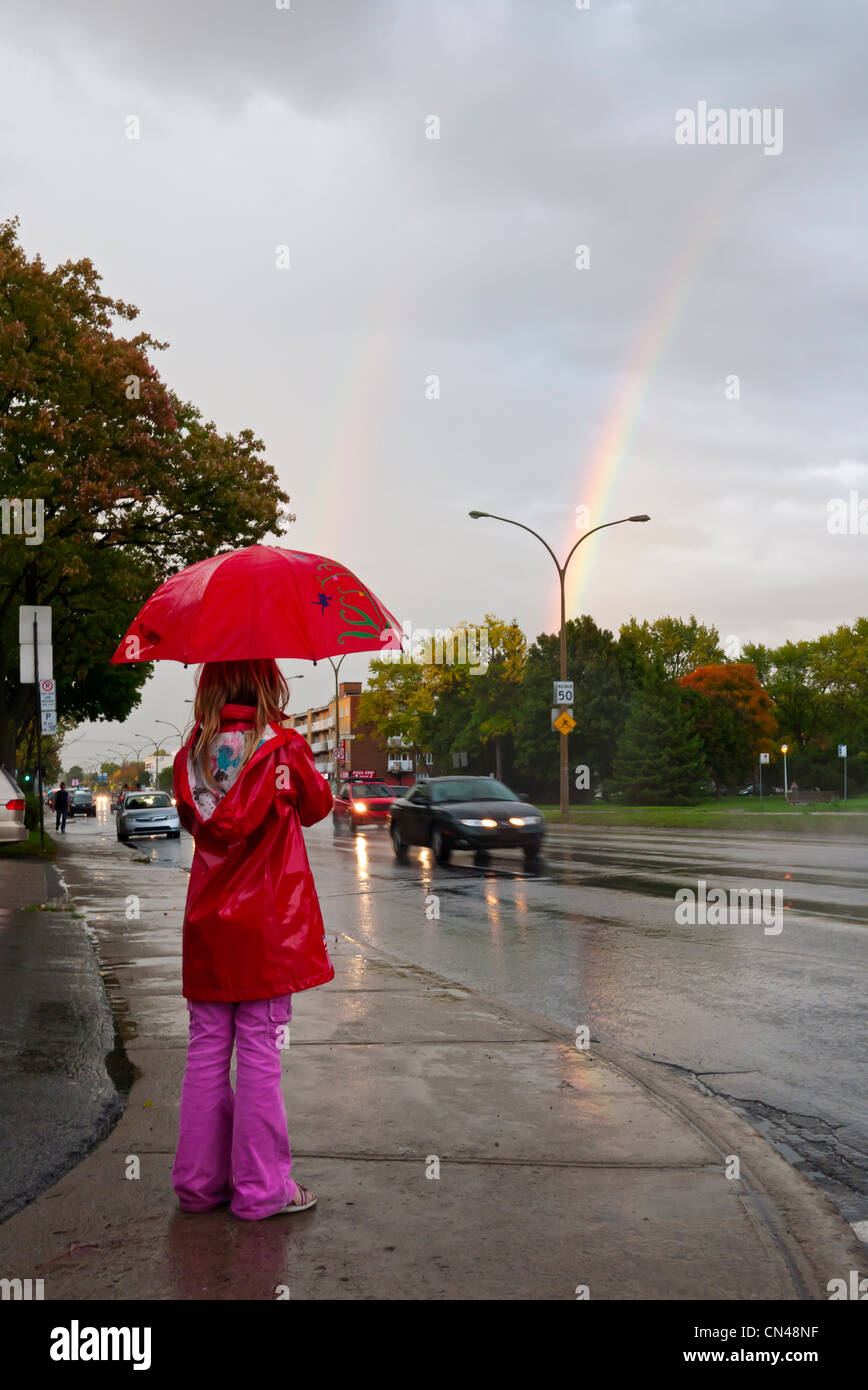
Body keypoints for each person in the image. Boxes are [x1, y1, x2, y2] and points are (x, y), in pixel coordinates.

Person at [170, 658, 333, 1220]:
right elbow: (317, 807)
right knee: (260, 1050)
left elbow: (199, 826)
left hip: (210, 926)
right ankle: (263, 1189)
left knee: (207, 1049)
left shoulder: (193, 752)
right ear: (268, 684)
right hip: (265, 926)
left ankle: (199, 1185)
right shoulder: (282, 746)